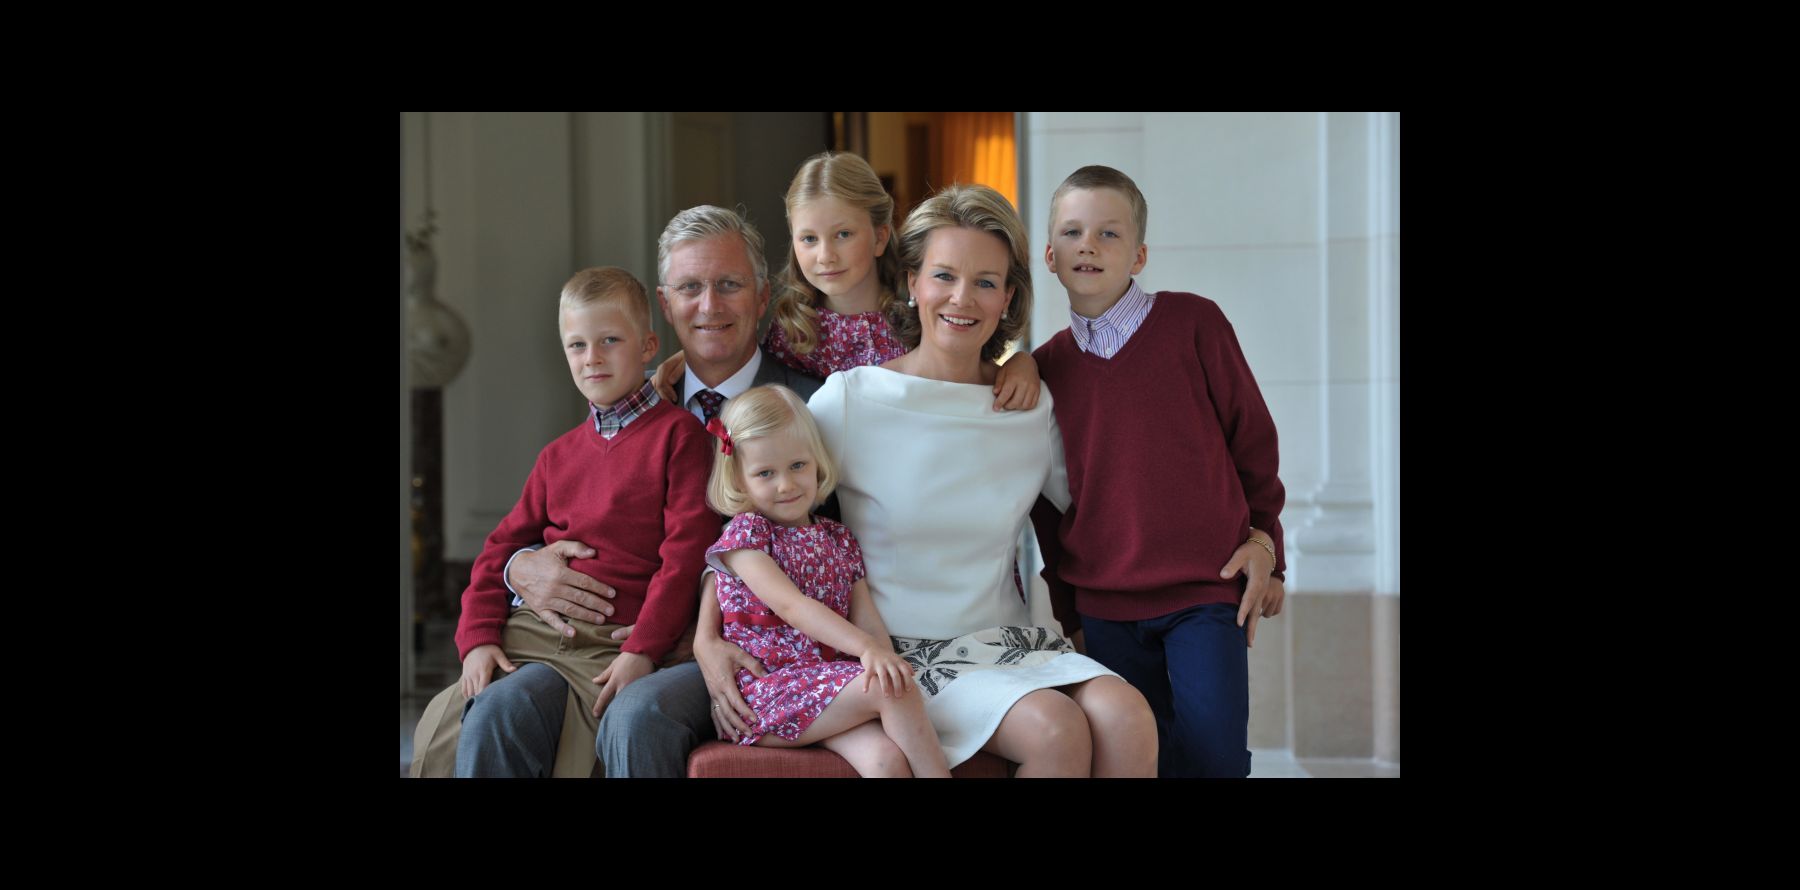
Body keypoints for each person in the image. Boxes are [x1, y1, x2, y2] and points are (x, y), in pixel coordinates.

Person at [801, 183, 1157, 776]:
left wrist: (1253, 535)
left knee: (1127, 715)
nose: (962, 298)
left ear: (1007, 298)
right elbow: (760, 514)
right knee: (1054, 729)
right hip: (905, 658)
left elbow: (1107, 507)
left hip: (1011, 644)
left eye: (986, 282)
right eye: (944, 276)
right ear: (912, 282)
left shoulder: (1029, 404)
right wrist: (711, 634)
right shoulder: (853, 399)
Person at [502, 205, 825, 778]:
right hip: (619, 635)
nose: (709, 305)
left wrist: (704, 635)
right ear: (665, 302)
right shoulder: (629, 404)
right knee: (503, 707)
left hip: (764, 644)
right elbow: (545, 519)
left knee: (637, 715)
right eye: (690, 288)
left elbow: (836, 548)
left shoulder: (814, 403)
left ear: (761, 293)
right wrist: (518, 567)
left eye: (729, 284)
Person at [1030, 164, 1288, 778]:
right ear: (1048, 254)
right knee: (1136, 758)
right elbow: (1045, 505)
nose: (1088, 245)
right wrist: (1071, 616)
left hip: (1206, 588)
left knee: (1216, 755)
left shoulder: (1194, 324)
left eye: (1109, 234)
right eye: (1071, 232)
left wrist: (1269, 546)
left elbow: (1252, 440)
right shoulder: (1044, 373)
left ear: (1139, 254)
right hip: (1105, 604)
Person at [409, 266, 717, 777]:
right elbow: (499, 551)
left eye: (609, 341)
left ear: (646, 346)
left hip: (607, 645)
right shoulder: (558, 456)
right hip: (528, 637)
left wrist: (644, 649)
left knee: (553, 727)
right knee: (468, 720)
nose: (591, 358)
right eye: (576, 345)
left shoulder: (679, 438)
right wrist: (479, 638)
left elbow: (685, 555)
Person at [653, 151, 1040, 408]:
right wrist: (685, 361)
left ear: (880, 236)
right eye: (809, 239)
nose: (825, 256)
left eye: (843, 235)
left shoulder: (918, 313)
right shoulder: (792, 330)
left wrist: (1023, 363)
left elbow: (973, 364)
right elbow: (741, 361)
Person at [701, 384, 950, 777]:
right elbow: (791, 606)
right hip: (771, 692)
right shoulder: (746, 536)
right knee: (893, 691)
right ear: (739, 480)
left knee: (885, 761)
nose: (786, 484)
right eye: (765, 473)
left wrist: (884, 655)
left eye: (798, 465)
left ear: (817, 462)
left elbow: (865, 615)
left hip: (823, 687)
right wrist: (867, 651)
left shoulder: (838, 537)